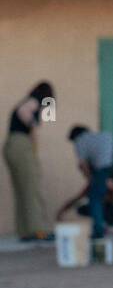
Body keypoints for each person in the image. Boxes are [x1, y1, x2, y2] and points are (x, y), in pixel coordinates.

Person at [4, 81, 56, 241]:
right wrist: (33, 124)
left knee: (22, 190)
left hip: (12, 144)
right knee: (31, 188)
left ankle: (25, 231)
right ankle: (38, 230)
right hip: (21, 144)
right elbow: (25, 112)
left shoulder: (29, 99)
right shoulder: (34, 100)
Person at [57, 125, 113, 240]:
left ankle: (99, 231)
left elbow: (83, 164)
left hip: (104, 168)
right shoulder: (104, 135)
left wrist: (91, 178)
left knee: (95, 199)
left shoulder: (80, 141)